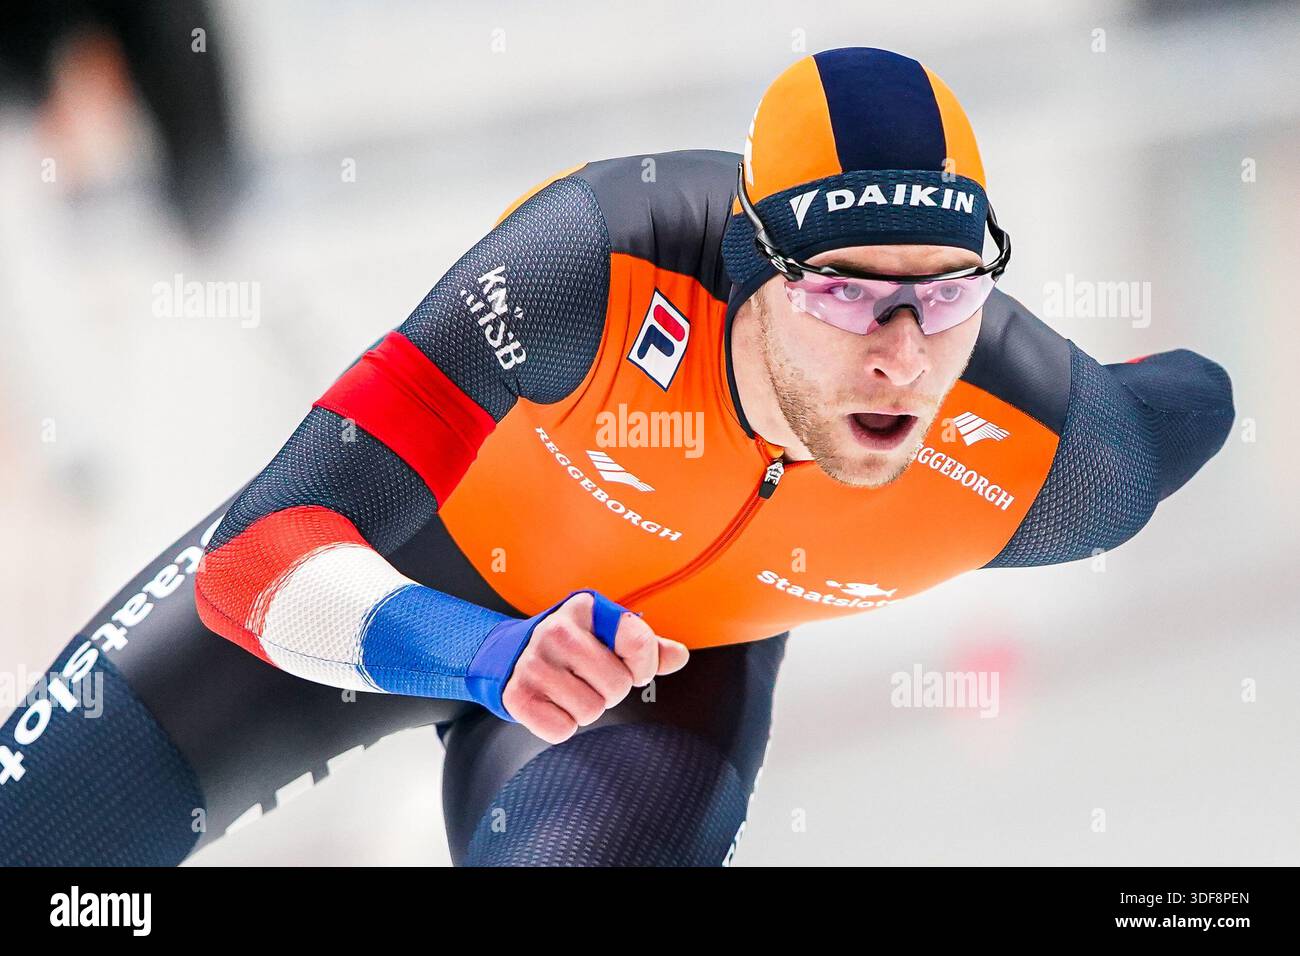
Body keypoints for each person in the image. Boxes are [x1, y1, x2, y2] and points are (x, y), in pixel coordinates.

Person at [0, 47, 1234, 866]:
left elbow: (1195, 401)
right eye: (850, 296)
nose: (903, 358)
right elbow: (255, 560)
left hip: (644, 682)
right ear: (752, 270)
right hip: (396, 569)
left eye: (948, 296)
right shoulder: (590, 266)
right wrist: (489, 653)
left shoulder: (1056, 457)